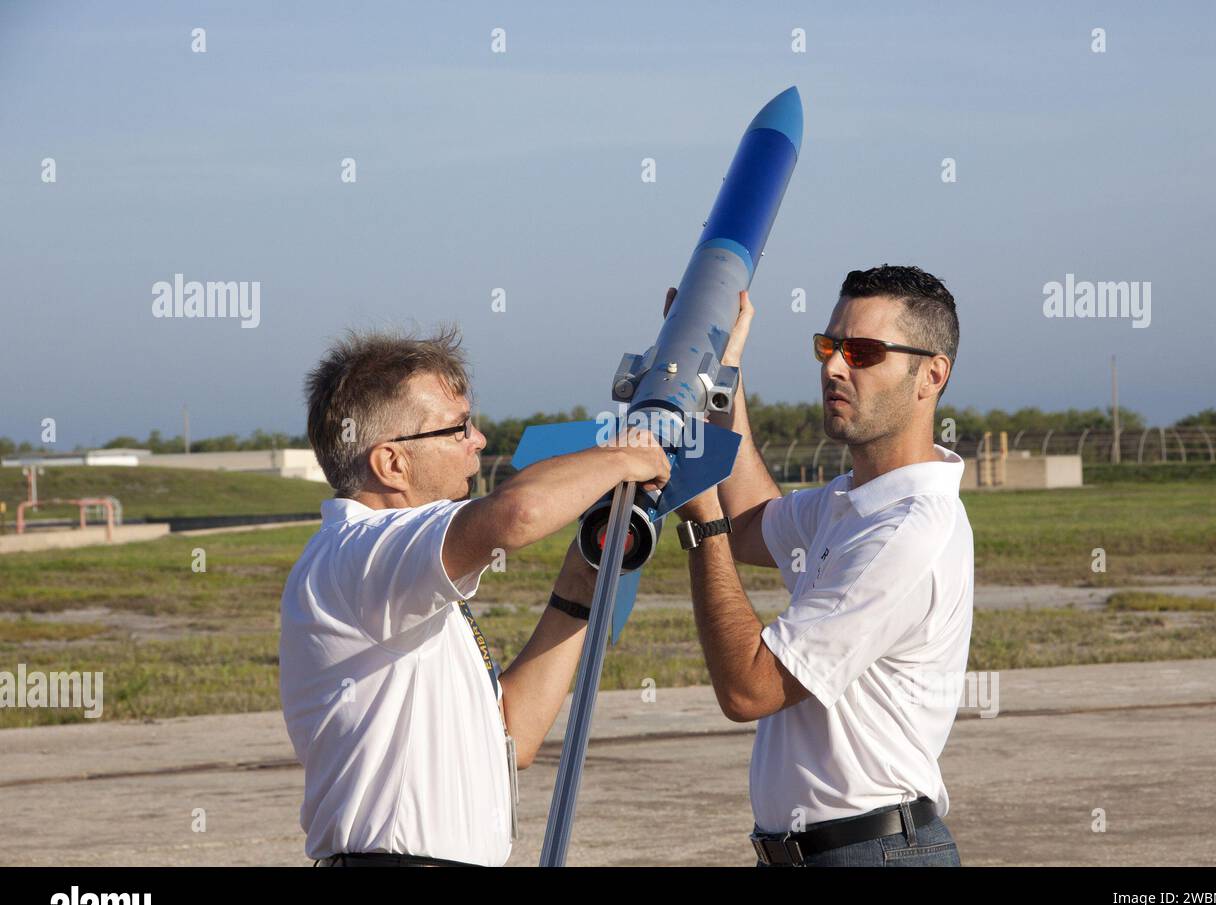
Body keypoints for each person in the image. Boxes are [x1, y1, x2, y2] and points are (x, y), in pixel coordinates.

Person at [279, 328, 669, 866]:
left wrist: (583, 574)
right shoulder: (360, 553)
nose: (478, 440)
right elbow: (517, 514)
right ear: (392, 463)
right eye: (458, 427)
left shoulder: (402, 586)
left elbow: (516, 734)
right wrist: (624, 457)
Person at [674, 264, 972, 867]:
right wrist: (723, 376)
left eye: (863, 352)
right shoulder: (853, 501)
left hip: (872, 851)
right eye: (828, 346)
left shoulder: (905, 531)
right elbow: (754, 522)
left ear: (930, 375)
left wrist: (699, 514)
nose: (834, 367)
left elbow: (748, 688)